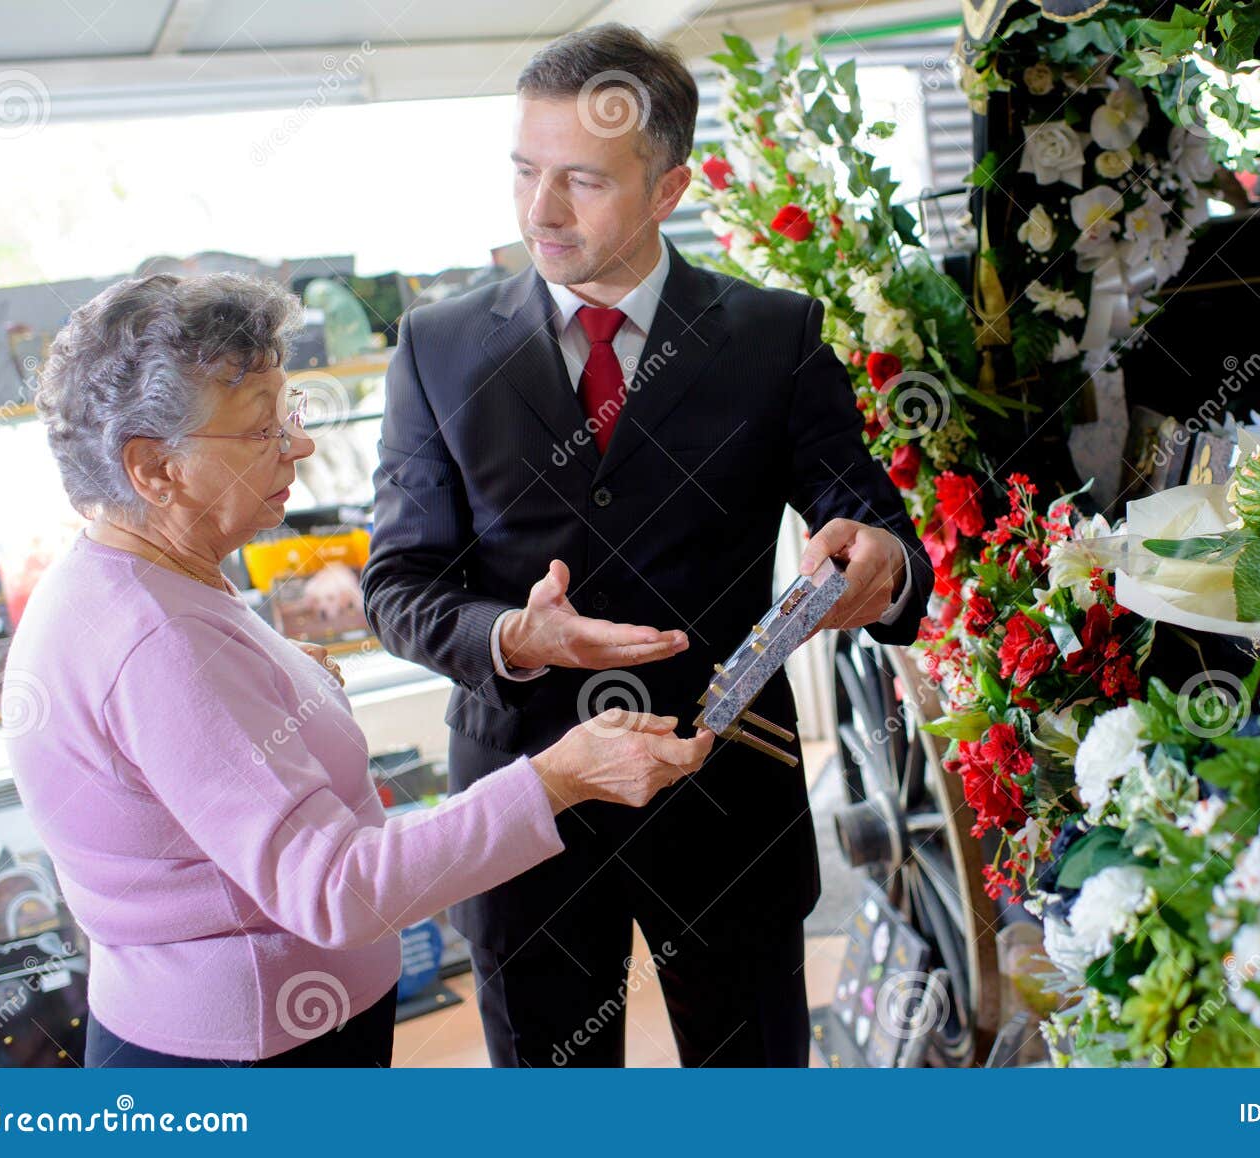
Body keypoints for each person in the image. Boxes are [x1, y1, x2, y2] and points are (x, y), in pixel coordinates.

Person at [361, 23, 931, 1068]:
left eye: (581, 180)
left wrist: (883, 564)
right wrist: (515, 638)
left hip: (727, 798)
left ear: (669, 189)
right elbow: (396, 587)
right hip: (525, 801)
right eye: (525, 171)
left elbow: (876, 531)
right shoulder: (434, 350)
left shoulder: (776, 336)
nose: (540, 209)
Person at [5, 273, 712, 1067]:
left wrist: (273, 678)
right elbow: (336, 889)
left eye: (289, 412)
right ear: (152, 468)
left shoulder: (127, 576)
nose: (299, 445)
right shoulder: (159, 642)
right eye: (260, 430)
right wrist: (556, 779)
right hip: (254, 1052)